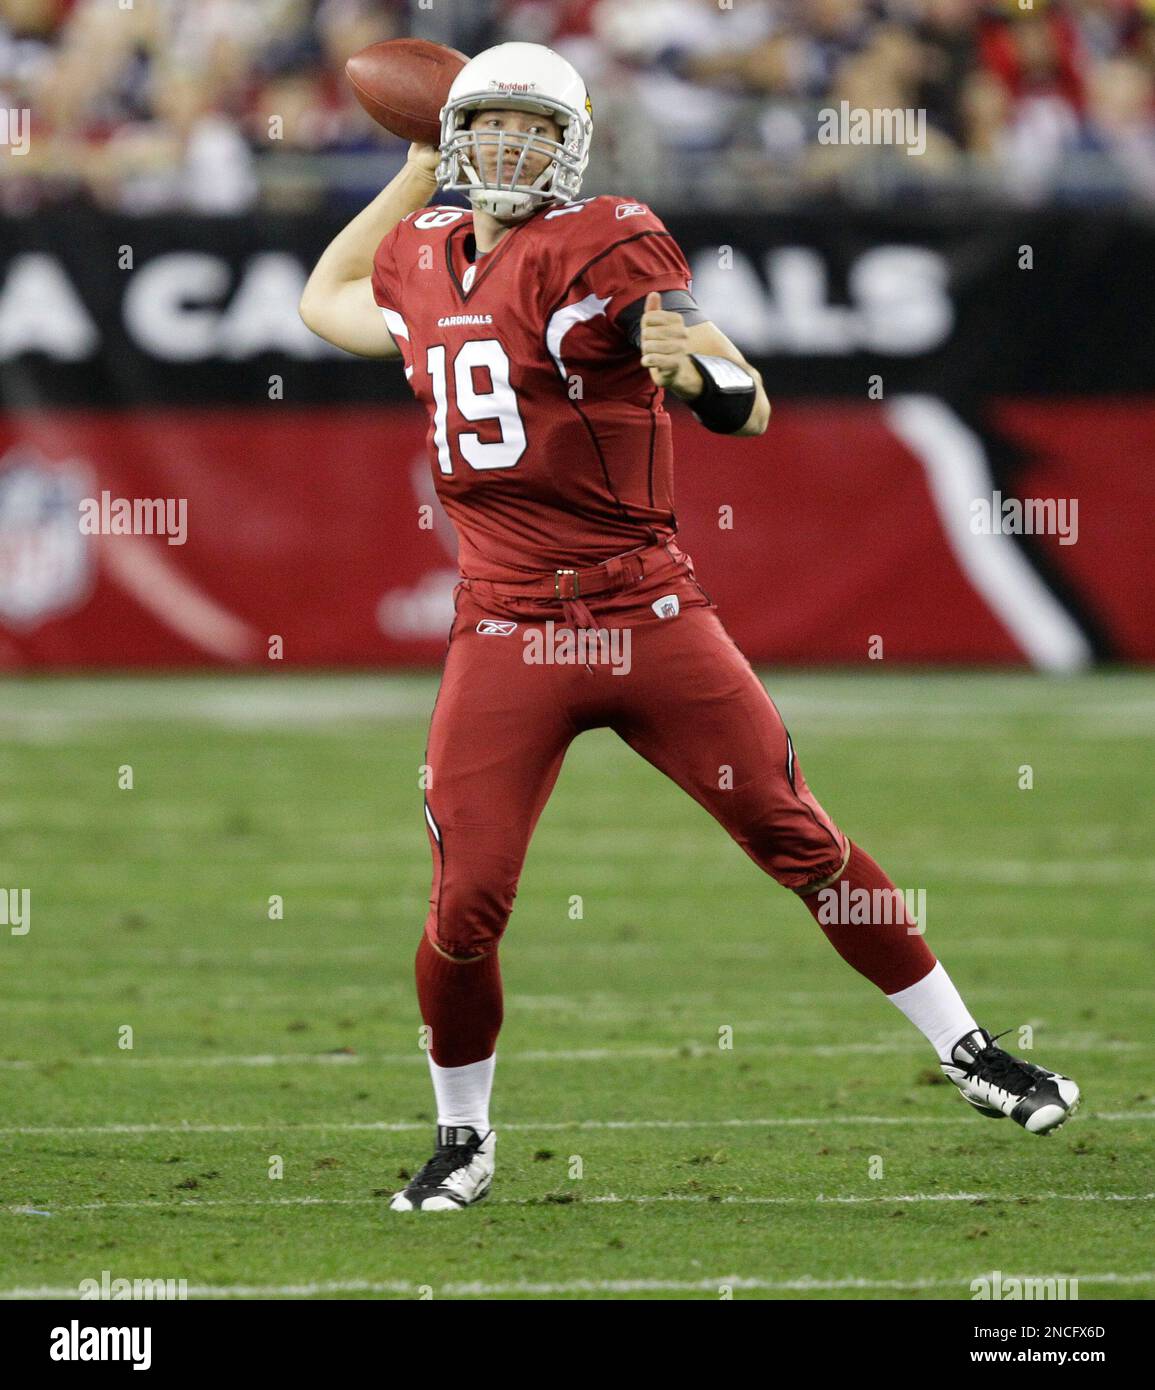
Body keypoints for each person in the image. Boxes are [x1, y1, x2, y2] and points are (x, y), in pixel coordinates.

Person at [299, 41, 1080, 1213]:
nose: (510, 148)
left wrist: (696, 379)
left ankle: (970, 1048)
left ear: (572, 146)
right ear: (457, 139)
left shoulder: (608, 238)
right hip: (507, 627)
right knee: (464, 904)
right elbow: (324, 303)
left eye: (534, 129)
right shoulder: (420, 250)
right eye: (488, 127)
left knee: (799, 837)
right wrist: (411, 173)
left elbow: (746, 401)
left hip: (647, 610)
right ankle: (464, 1138)